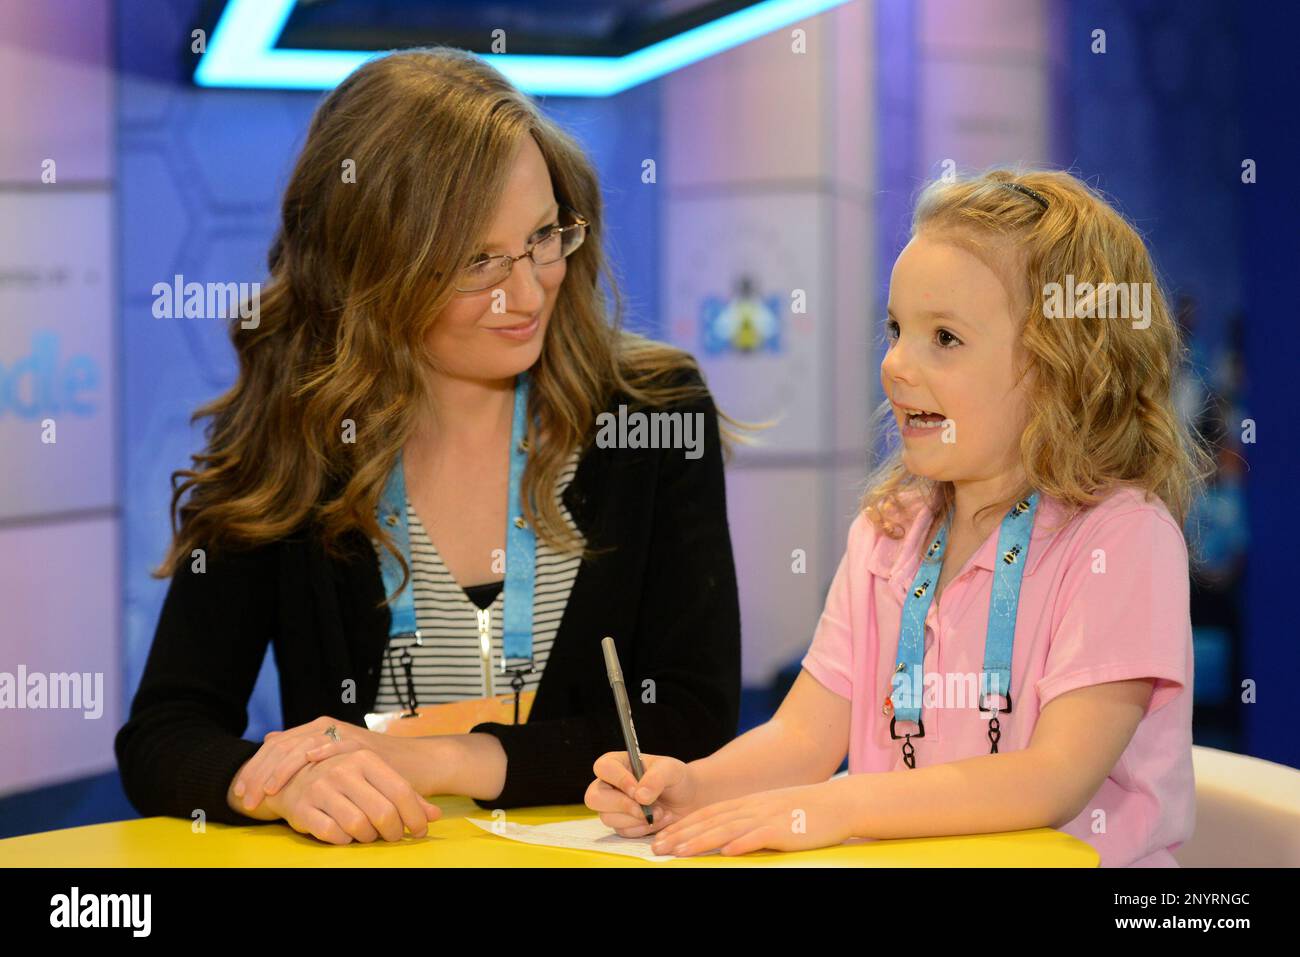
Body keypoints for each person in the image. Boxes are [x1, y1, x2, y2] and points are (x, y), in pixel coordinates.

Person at [116, 47, 742, 846]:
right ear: (369, 271)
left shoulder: (653, 411)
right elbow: (165, 734)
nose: (527, 293)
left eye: (542, 236)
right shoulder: (294, 435)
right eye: (477, 261)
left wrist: (440, 759)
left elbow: (692, 719)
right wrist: (274, 780)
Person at [587, 169, 1213, 867]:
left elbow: (1052, 778)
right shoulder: (889, 531)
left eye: (944, 337)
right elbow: (803, 737)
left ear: (1067, 366)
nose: (895, 364)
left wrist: (842, 803)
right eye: (895, 330)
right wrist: (695, 787)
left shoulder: (1122, 538)